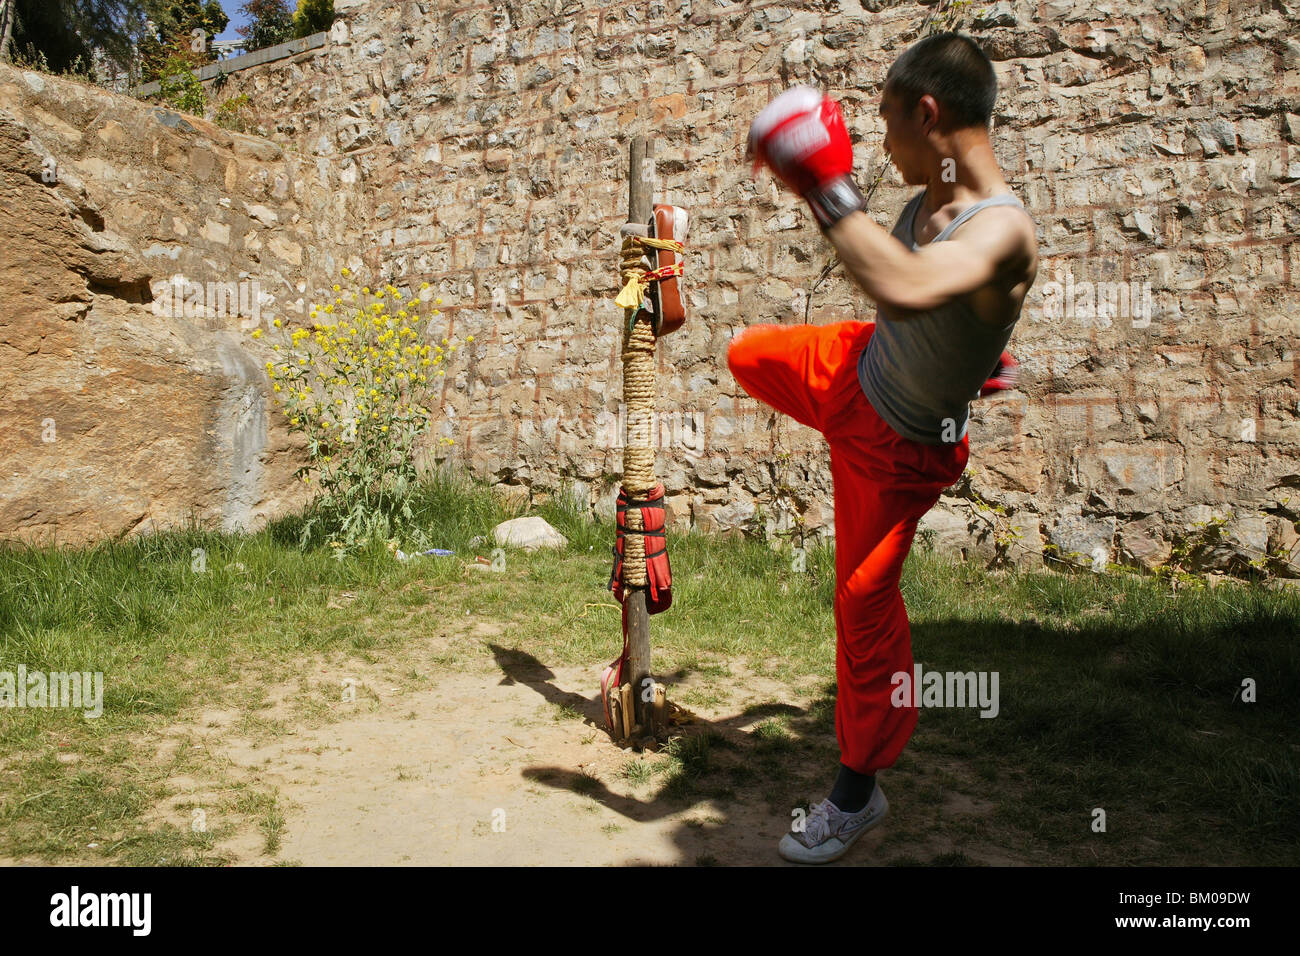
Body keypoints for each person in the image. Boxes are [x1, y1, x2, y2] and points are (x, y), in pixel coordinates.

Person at [736, 32, 1039, 864]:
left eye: (887, 122)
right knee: (746, 354)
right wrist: (974, 353)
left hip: (898, 452)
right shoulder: (928, 196)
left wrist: (820, 182)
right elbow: (925, 300)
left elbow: (906, 285)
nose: (878, 142)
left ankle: (856, 793)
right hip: (853, 370)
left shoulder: (1004, 229)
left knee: (862, 610)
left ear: (928, 112)